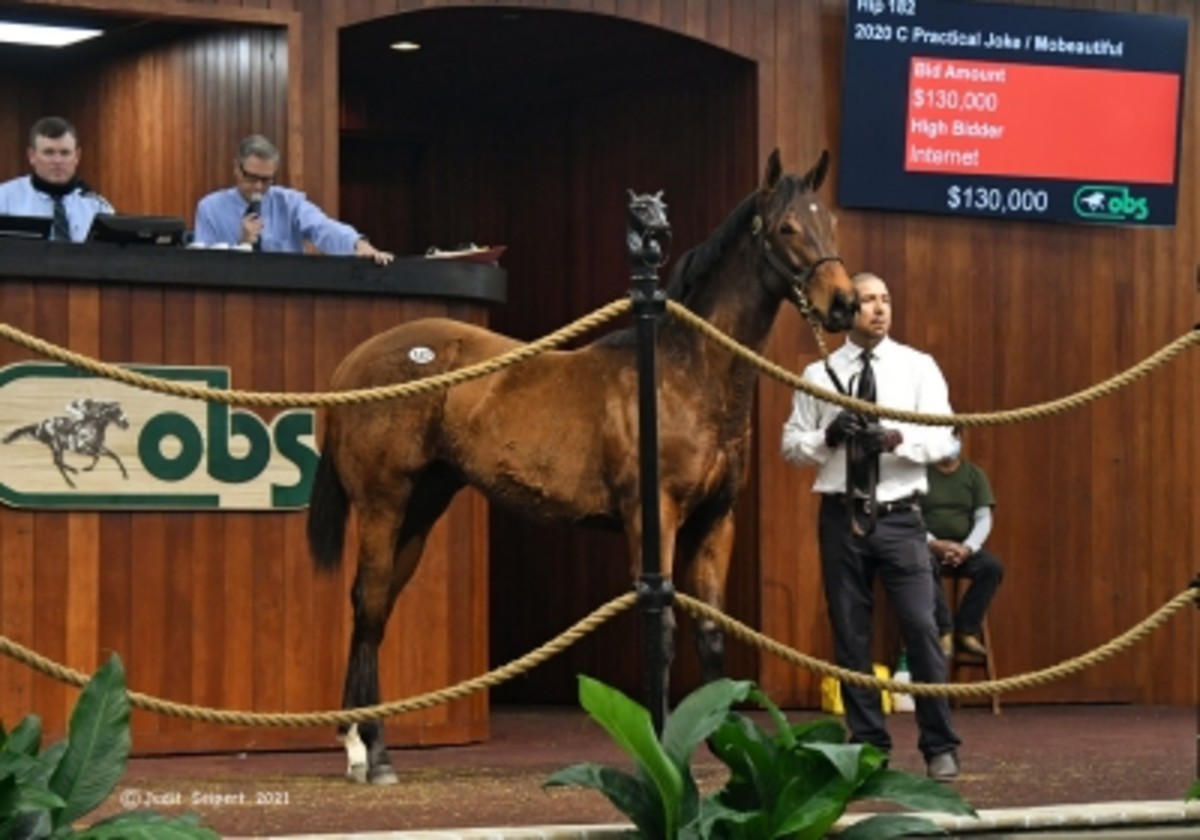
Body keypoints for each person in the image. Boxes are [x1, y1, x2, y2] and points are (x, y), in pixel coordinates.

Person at [781, 271, 962, 781]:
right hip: (841, 518)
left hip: (901, 516)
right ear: (846, 311)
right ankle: (868, 747)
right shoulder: (819, 375)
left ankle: (940, 745)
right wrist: (827, 437)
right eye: (867, 301)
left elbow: (946, 441)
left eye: (886, 300)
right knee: (850, 637)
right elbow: (791, 447)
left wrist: (897, 439)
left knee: (922, 629)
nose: (879, 309)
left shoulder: (918, 367)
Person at [193, 134, 393, 264]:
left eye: (266, 180)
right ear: (237, 168)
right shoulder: (210, 208)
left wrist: (358, 245)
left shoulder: (289, 202)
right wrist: (242, 245)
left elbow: (322, 227)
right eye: (252, 177)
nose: (258, 187)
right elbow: (201, 264)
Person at [923, 427, 1005, 658]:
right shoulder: (920, 474)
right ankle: (943, 630)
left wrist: (967, 548)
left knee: (992, 568)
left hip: (964, 547)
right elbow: (911, 517)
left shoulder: (974, 475)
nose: (950, 443)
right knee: (921, 566)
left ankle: (966, 630)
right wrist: (934, 544)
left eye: (954, 437)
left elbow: (983, 518)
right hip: (928, 546)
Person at [0, 116, 114, 242]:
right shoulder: (5, 199)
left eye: (65, 153)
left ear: (77, 156)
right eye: (49, 152)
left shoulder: (97, 206)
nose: (57, 161)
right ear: (31, 156)